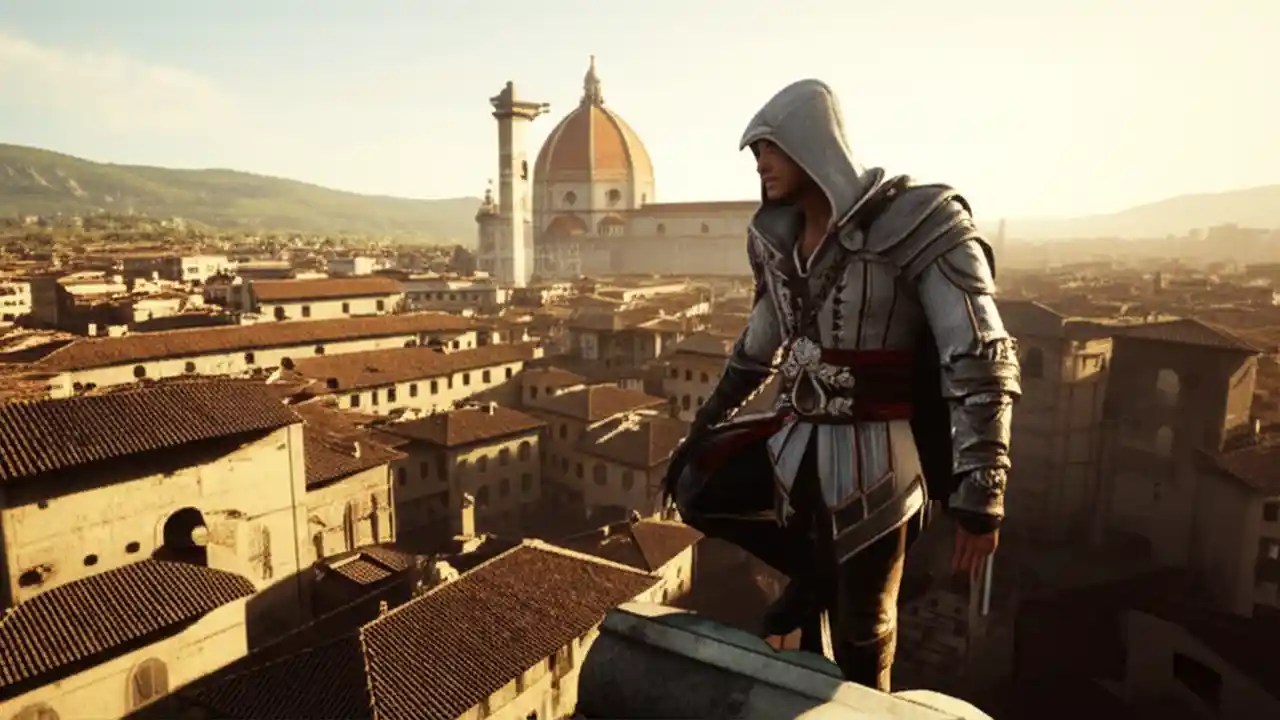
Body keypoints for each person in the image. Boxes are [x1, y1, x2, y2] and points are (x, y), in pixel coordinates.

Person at [663, 79, 1020, 691]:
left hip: (881, 454)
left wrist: (982, 489)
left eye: (770, 147)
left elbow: (979, 352)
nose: (761, 163)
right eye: (756, 154)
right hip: (795, 437)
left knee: (863, 626)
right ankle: (815, 577)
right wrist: (705, 426)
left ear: (812, 144)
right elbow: (758, 345)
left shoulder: (924, 222)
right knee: (697, 486)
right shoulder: (778, 239)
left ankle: (867, 703)